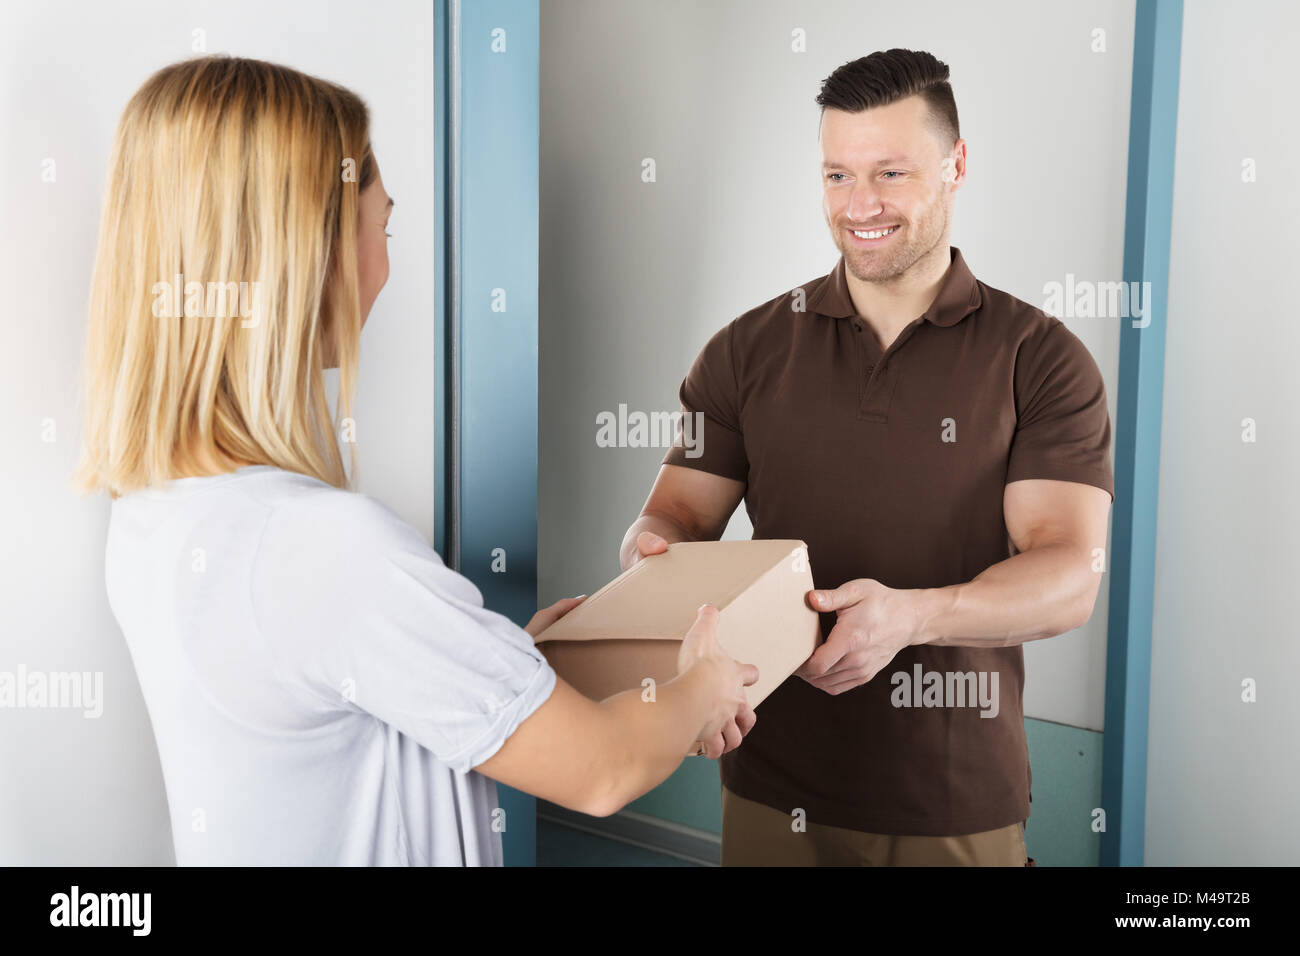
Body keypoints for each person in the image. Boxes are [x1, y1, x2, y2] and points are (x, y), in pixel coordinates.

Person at [73, 55, 757, 866]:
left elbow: (342, 698)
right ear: (306, 250)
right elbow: (604, 770)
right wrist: (704, 688)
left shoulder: (154, 508)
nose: (386, 265)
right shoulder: (327, 546)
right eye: (381, 227)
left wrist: (503, 667)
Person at [622, 49, 1115, 866]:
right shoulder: (744, 350)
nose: (861, 206)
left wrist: (912, 616)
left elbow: (1069, 575)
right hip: (768, 782)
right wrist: (652, 566)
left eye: (890, 172)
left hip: (950, 796)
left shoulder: (1040, 358)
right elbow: (676, 513)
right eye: (838, 176)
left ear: (957, 166)